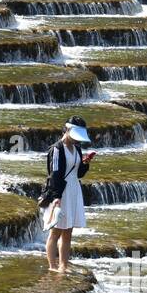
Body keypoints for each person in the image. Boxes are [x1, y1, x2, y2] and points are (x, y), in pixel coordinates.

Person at [39, 117, 93, 273]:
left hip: (74, 191)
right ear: (68, 130)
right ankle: (52, 266)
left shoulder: (76, 148)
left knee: (68, 231)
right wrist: (57, 197)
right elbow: (54, 174)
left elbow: (79, 173)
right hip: (60, 192)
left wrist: (85, 163)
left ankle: (63, 265)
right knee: (55, 231)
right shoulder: (56, 149)